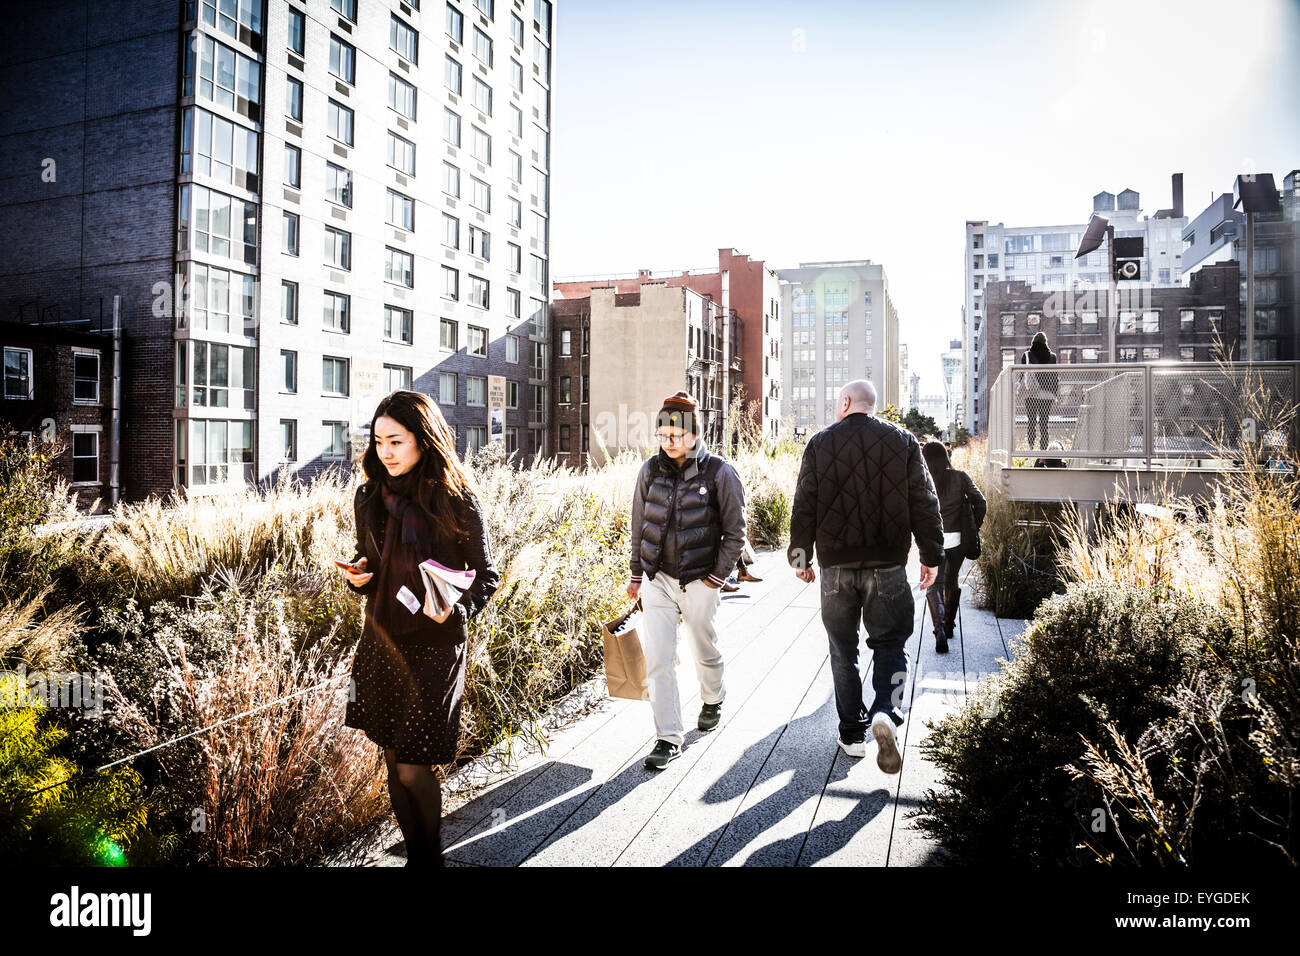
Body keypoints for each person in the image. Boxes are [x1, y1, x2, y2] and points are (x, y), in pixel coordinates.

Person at [338, 390, 500, 866]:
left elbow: (485, 575)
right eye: (378, 441)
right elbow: (372, 560)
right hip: (383, 638)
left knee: (412, 765)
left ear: (423, 442)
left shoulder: (455, 498)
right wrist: (361, 575)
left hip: (436, 643)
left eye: (396, 441)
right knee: (391, 755)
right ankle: (418, 858)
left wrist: (458, 611)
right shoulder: (369, 495)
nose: (385, 452)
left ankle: (431, 859)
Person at [788, 380, 944, 773]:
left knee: (843, 649)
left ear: (844, 402)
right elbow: (925, 502)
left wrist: (800, 557)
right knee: (891, 644)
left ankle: (853, 733)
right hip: (888, 566)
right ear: (872, 406)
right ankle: (887, 714)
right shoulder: (904, 442)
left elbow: (804, 504)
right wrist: (931, 556)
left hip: (836, 570)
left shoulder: (820, 443)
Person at [627, 391, 747, 770]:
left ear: (694, 434)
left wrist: (716, 577)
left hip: (700, 579)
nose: (667, 442)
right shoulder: (650, 470)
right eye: (662, 435)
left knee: (702, 646)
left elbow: (736, 531)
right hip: (657, 578)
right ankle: (668, 737)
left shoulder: (719, 472)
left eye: (675, 435)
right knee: (659, 660)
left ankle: (713, 698)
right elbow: (638, 525)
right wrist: (635, 573)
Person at [920, 441, 987, 654]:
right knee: (952, 579)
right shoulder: (960, 477)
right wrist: (972, 527)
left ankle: (939, 631)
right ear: (945, 455)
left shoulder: (922, 479)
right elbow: (981, 502)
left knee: (934, 584)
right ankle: (949, 625)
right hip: (958, 539)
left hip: (933, 540)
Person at [1020, 331, 1059, 451]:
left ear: (1033, 342)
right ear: (1045, 342)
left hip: (1030, 394)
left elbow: (1022, 375)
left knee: (1031, 421)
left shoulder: (1026, 355)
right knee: (1044, 424)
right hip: (1047, 395)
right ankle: (1043, 451)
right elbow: (1054, 378)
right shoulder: (1052, 357)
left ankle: (1031, 447)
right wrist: (1054, 395)